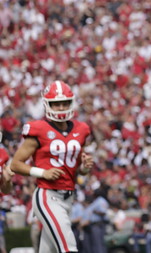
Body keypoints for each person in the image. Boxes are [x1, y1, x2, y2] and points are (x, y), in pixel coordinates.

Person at [10, 81, 94, 253]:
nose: (61, 108)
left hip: (68, 197)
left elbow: (76, 168)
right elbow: (15, 164)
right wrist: (43, 172)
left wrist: (85, 168)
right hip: (48, 196)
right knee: (68, 248)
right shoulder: (38, 129)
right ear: (48, 105)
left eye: (64, 103)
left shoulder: (81, 129)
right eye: (56, 104)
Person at [85, 185, 110, 253]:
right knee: (95, 244)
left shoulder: (101, 201)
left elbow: (103, 212)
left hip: (98, 225)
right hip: (94, 225)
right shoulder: (96, 201)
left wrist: (94, 211)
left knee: (98, 244)